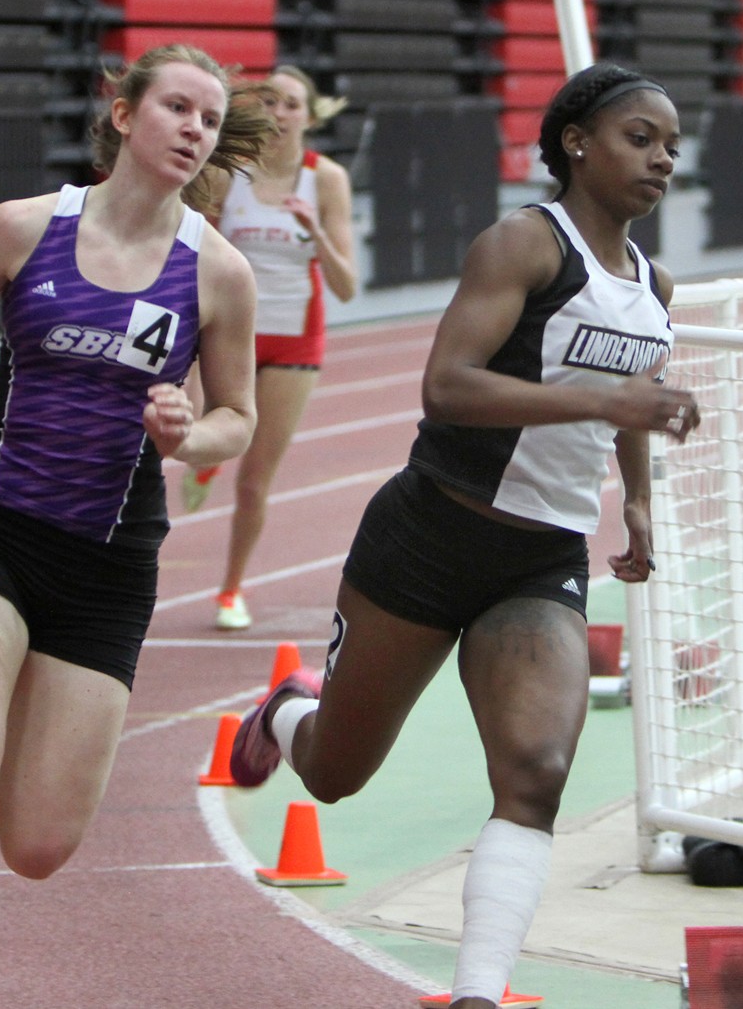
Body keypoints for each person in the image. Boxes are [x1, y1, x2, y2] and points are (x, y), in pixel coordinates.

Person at [227, 61, 700, 1009]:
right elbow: (446, 384)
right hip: (430, 538)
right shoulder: (523, 245)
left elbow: (630, 404)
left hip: (539, 562)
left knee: (537, 769)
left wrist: (637, 497)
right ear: (577, 141)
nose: (660, 160)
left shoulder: (656, 286)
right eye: (638, 138)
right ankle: (286, 708)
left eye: (672, 148)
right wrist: (605, 397)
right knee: (333, 775)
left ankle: (477, 990)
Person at [0, 44, 271, 1009]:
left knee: (39, 845)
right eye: (178, 107)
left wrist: (189, 436)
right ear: (125, 112)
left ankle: (10, 702)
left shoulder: (217, 273)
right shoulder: (23, 227)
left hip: (108, 567)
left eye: (210, 121)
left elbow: (239, 416)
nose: (194, 130)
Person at [180, 66, 359, 631]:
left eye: (291, 104)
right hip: (229, 334)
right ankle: (206, 465)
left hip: (295, 339)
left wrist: (317, 233)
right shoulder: (228, 174)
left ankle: (231, 590)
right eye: (270, 102)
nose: (280, 113)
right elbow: (194, 258)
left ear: (309, 116)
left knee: (255, 477)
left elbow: (348, 285)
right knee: (207, 445)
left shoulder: (325, 180)